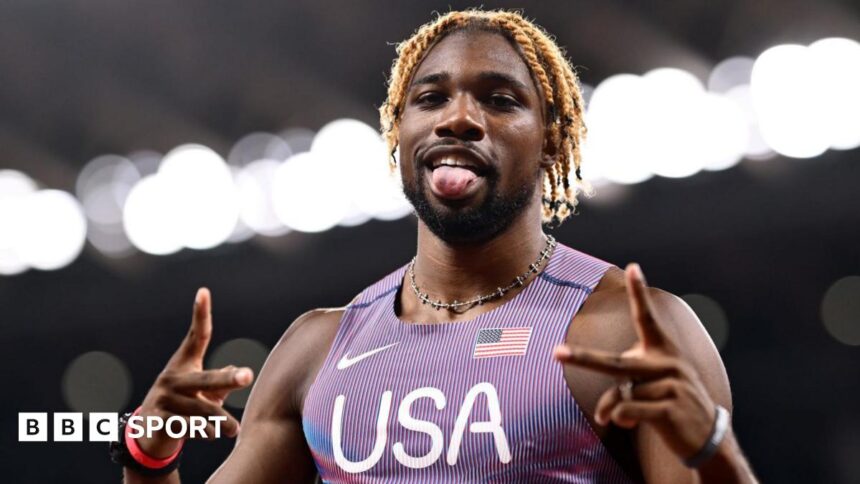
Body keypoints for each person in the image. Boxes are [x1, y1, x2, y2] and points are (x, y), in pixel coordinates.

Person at [116, 9, 758, 483]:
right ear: (401, 134)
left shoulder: (624, 333)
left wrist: (716, 451)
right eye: (431, 98)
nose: (458, 118)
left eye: (500, 100)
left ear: (553, 141)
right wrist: (147, 456)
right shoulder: (317, 349)